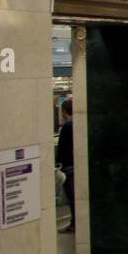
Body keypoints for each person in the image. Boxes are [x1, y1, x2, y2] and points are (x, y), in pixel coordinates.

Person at [55, 98, 75, 231]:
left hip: (67, 167)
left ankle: (74, 224)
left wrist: (57, 163)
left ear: (64, 112)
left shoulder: (67, 127)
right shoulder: (78, 124)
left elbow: (61, 149)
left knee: (72, 197)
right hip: (76, 165)